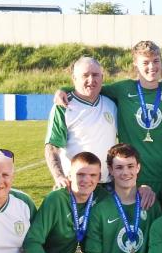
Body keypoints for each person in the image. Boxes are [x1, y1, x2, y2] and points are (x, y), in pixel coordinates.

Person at [54, 41, 162, 202]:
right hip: (129, 174)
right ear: (135, 64)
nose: (152, 66)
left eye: (156, 61)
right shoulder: (123, 89)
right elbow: (91, 87)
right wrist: (63, 89)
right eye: (145, 62)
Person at [45, 57, 116, 187]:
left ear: (102, 77)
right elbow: (52, 147)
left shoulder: (111, 104)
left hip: (106, 184)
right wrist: (59, 177)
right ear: (74, 78)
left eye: (95, 75)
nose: (91, 80)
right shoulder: (63, 105)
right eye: (85, 75)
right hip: (77, 184)